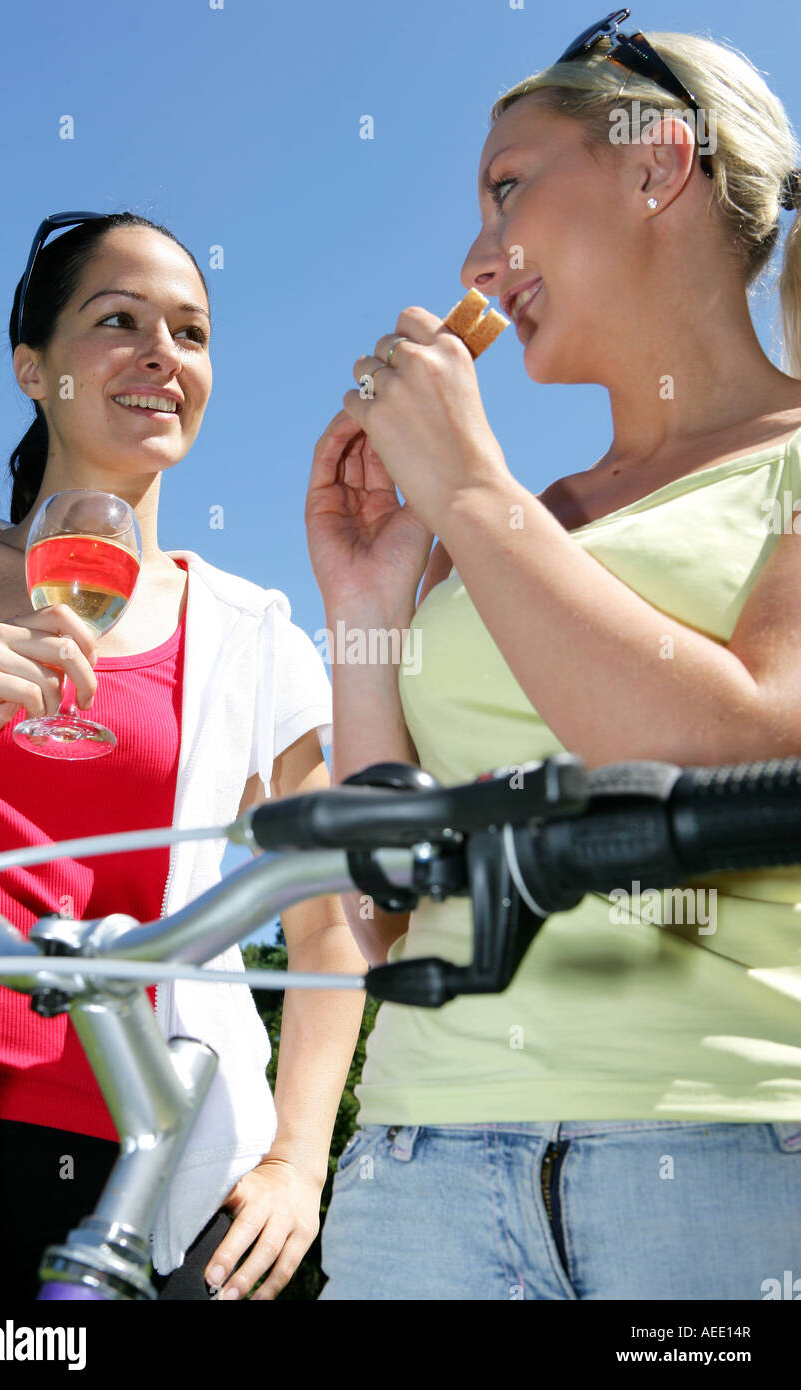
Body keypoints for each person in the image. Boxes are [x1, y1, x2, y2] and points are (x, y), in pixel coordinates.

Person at [307, 15, 801, 1300]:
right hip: (416, 1175)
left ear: (654, 164)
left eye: (508, 187)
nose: (477, 254)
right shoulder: (516, 521)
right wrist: (364, 605)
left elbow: (739, 763)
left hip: (721, 1162)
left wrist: (473, 494)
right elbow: (382, 908)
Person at [0, 211, 367, 1301]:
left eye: (189, 330)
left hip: (141, 1153)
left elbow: (330, 916)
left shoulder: (249, 629)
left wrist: (295, 1161)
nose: (161, 355)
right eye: (117, 319)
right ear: (33, 369)